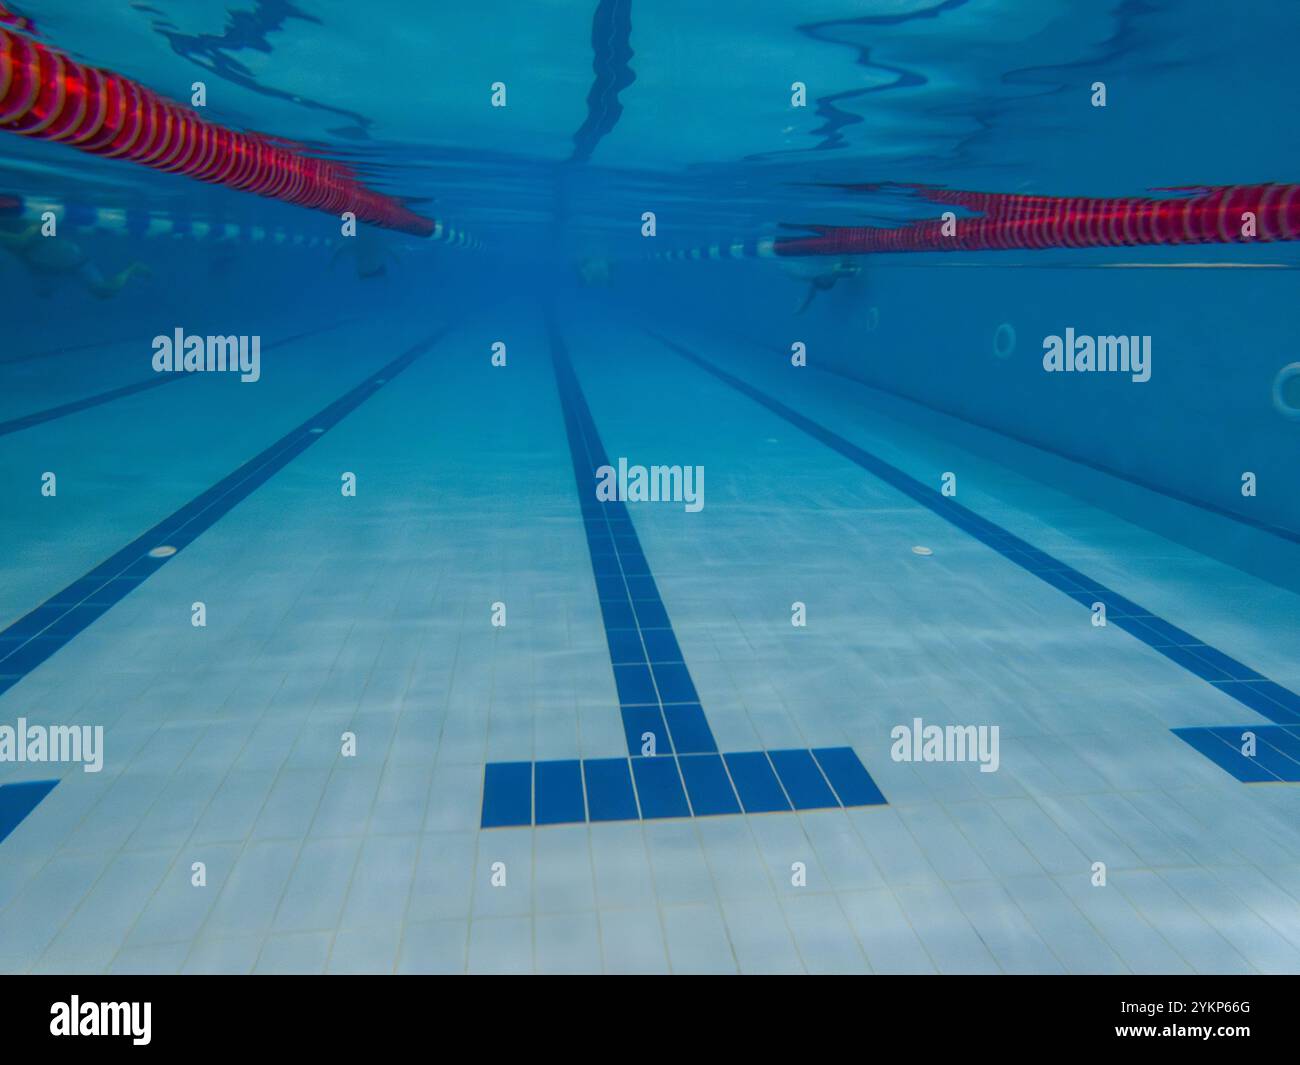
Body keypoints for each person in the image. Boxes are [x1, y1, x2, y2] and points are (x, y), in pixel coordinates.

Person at [0, 217, 150, 298]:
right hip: (43, 265)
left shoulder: (23, 215)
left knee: (104, 292)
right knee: (44, 293)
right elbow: (19, 247)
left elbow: (22, 239)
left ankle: (132, 268)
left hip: (70, 259)